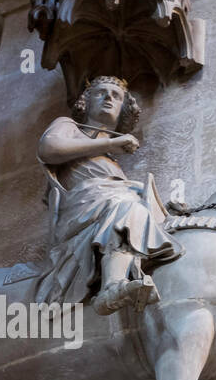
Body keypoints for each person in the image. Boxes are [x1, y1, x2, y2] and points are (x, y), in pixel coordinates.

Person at [35, 76, 181, 315]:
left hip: (108, 201)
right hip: (83, 204)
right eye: (100, 92)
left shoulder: (111, 160)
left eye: (116, 96)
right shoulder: (70, 126)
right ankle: (111, 287)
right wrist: (109, 145)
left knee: (144, 210)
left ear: (123, 108)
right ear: (86, 101)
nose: (108, 98)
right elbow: (48, 149)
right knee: (125, 205)